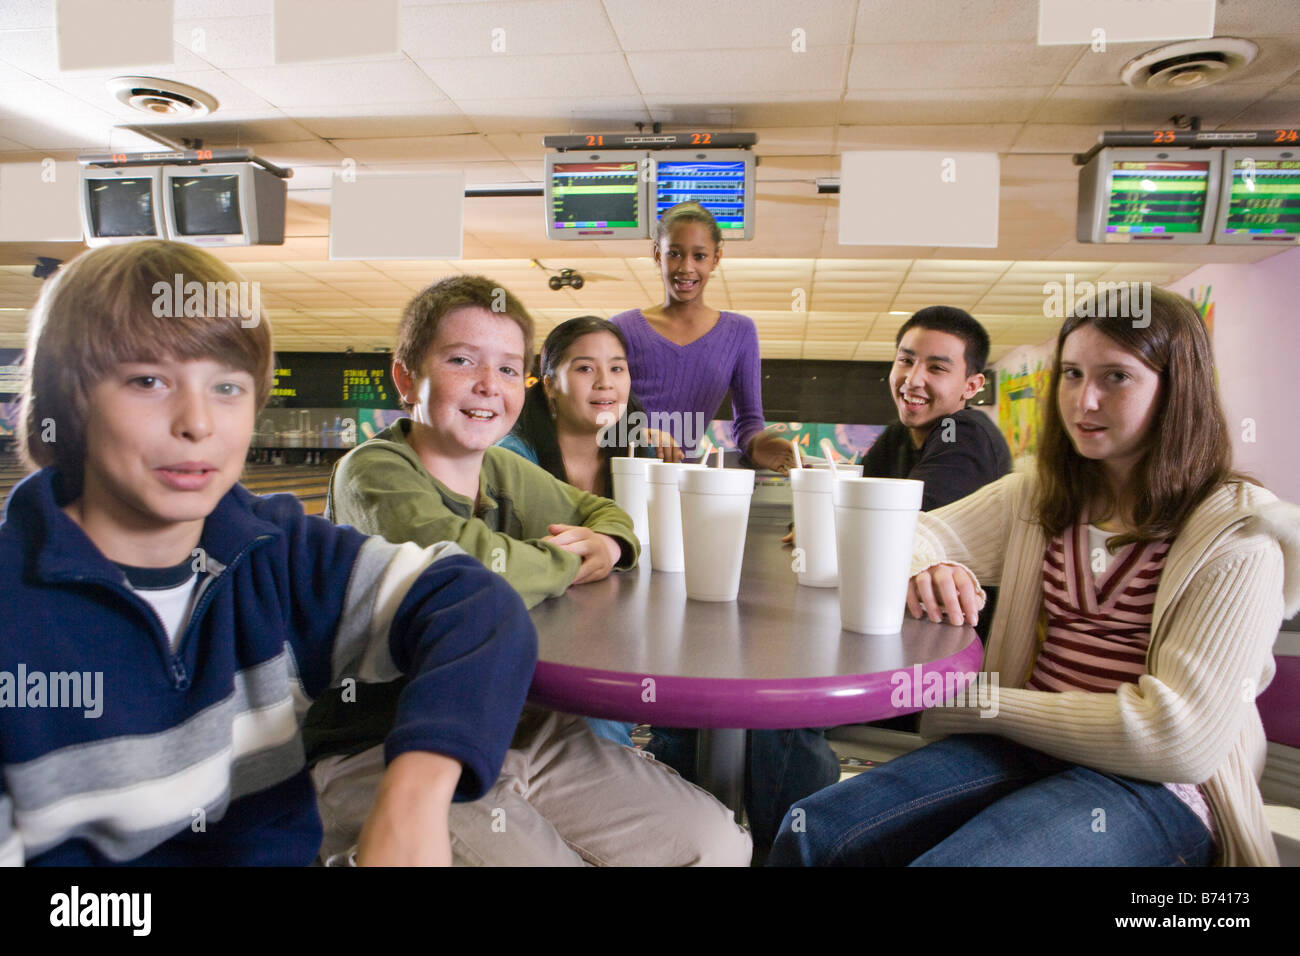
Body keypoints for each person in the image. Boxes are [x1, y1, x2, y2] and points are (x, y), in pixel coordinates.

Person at [0, 241, 536, 866]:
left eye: (227, 387)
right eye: (148, 381)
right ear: (68, 399)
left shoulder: (269, 550)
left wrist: (413, 795)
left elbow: (475, 603)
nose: (197, 423)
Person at [770, 287, 1299, 866]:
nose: (1084, 400)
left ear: (1178, 390)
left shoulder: (1239, 533)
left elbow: (1178, 740)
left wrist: (978, 703)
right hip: (1021, 747)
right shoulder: (1041, 494)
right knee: (811, 829)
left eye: (1115, 377)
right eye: (1072, 374)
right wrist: (932, 565)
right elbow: (915, 533)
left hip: (1156, 786)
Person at [308, 275, 752, 866]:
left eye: (510, 369)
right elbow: (463, 565)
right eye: (462, 360)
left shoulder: (499, 468)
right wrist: (571, 558)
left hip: (519, 726)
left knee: (717, 845)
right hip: (382, 743)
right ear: (406, 377)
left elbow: (602, 511)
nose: (489, 385)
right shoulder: (373, 469)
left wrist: (613, 545)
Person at [752, 306, 1013, 855]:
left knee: (778, 705)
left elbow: (899, 535)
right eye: (905, 360)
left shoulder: (962, 434)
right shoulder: (897, 440)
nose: (914, 379)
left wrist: (834, 529)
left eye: (937, 367)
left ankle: (786, 844)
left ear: (971, 385)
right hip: (886, 638)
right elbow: (844, 524)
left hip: (936, 665)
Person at [499, 315, 656, 746]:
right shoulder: (514, 456)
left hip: (616, 629)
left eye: (617, 368)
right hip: (535, 635)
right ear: (550, 384)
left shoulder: (637, 449)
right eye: (585, 368)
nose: (605, 383)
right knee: (595, 726)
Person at [611, 201, 795, 472]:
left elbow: (748, 422)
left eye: (699, 256)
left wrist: (757, 444)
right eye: (674, 253)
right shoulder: (621, 327)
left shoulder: (740, 332)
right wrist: (640, 435)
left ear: (716, 258)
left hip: (683, 479)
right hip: (621, 474)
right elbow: (596, 414)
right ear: (657, 254)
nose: (686, 267)